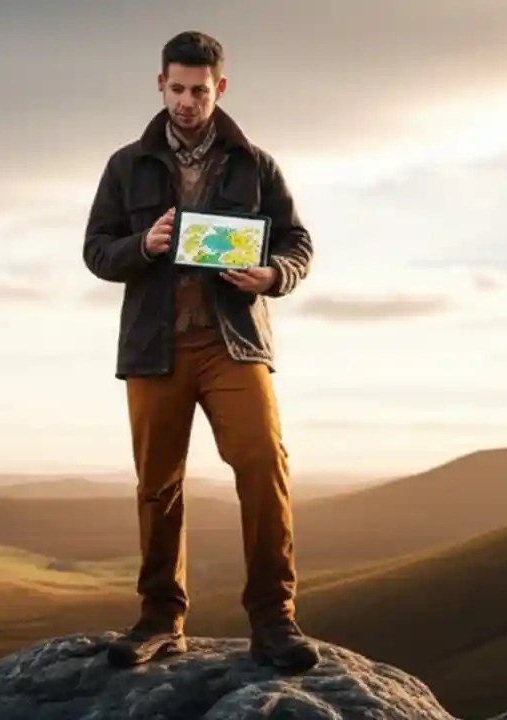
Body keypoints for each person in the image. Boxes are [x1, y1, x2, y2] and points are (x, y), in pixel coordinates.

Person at [82, 30, 319, 674]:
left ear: (221, 87)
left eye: (200, 89)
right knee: (158, 484)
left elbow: (297, 242)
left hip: (233, 343)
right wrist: (144, 246)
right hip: (154, 349)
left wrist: (273, 275)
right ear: (160, 84)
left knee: (264, 467)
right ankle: (162, 618)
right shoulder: (126, 165)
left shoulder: (255, 164)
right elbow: (96, 251)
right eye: (177, 88)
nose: (188, 101)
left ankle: (275, 619)